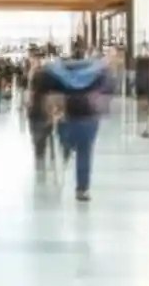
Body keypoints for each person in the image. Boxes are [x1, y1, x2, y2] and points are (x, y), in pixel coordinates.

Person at [31, 39, 113, 202]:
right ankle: (82, 188)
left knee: (67, 142)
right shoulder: (98, 74)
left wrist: (50, 113)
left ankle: (68, 152)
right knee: (85, 151)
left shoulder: (55, 75)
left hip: (66, 116)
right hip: (88, 116)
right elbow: (105, 94)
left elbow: (47, 96)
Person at [134, 43, 149, 138]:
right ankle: (147, 128)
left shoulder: (139, 62)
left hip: (142, 85)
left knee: (144, 109)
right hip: (146, 85)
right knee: (147, 109)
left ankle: (145, 128)